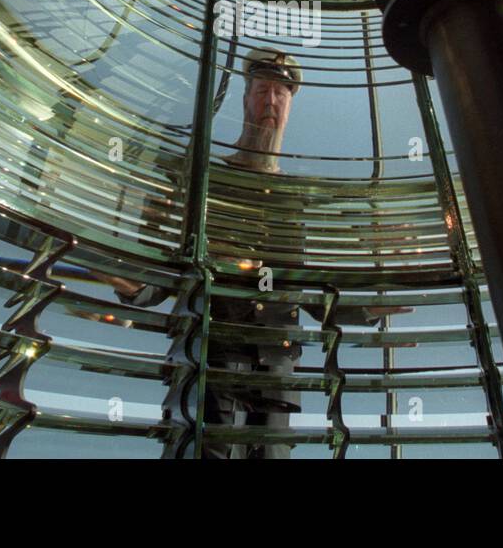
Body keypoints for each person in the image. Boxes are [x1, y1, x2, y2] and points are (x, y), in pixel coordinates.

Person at [102, 48, 407, 457]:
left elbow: (309, 294)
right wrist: (128, 282)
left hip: (277, 371)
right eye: (262, 90)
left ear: (291, 107)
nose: (271, 101)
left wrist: (373, 307)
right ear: (245, 98)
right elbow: (167, 276)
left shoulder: (292, 198)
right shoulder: (208, 181)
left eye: (282, 94)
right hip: (211, 354)